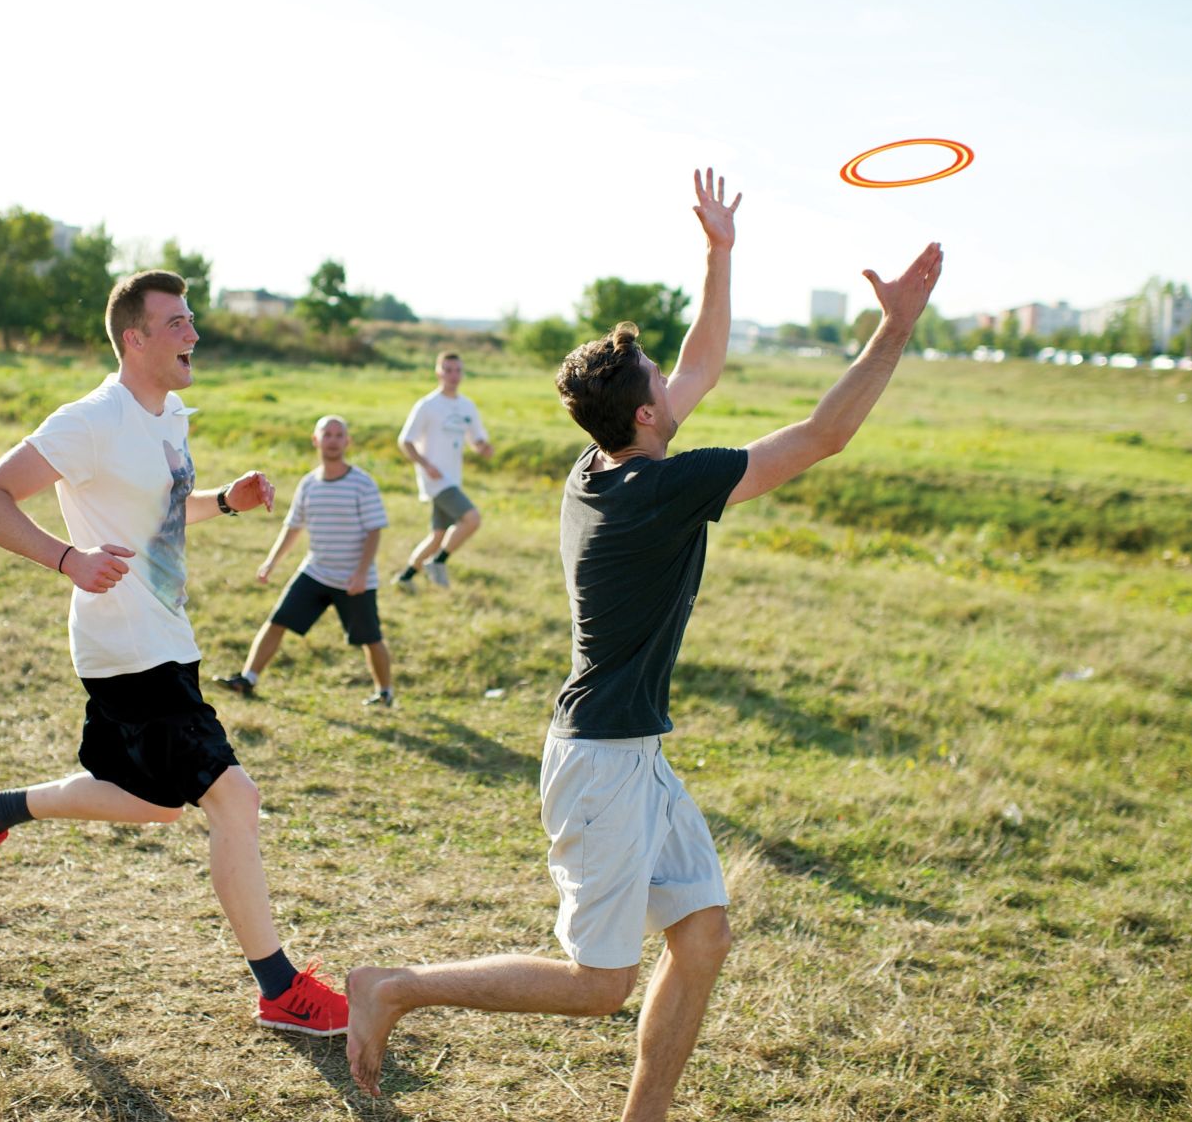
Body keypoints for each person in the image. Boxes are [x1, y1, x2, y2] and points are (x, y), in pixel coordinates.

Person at [346, 170, 944, 1119]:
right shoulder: (658, 492)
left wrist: (719, 253)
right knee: (597, 986)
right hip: (601, 762)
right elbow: (826, 434)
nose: (680, 385)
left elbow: (700, 366)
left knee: (701, 937)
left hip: (630, 752)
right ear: (645, 419)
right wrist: (898, 326)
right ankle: (393, 986)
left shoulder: (603, 465)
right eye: (663, 387)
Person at [0, 269, 351, 1037]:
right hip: (127, 646)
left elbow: (159, 513)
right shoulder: (91, 420)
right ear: (135, 339)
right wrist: (67, 558)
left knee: (156, 804)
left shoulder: (168, 417)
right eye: (176, 323)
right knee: (235, 798)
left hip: (164, 634)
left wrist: (223, 502)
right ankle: (280, 989)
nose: (193, 333)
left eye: (191, 319)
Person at [215, 414, 394, 707]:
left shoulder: (363, 483)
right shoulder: (308, 484)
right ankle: (247, 679)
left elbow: (375, 530)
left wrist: (361, 574)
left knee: (370, 637)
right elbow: (293, 527)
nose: (333, 440)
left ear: (347, 442)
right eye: (327, 434)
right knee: (277, 620)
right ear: (316, 440)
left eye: (339, 435)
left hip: (354, 579)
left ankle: (385, 692)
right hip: (315, 571)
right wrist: (271, 562)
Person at [393, 351, 492, 591]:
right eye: (447, 370)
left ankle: (404, 578)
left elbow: (476, 439)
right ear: (438, 372)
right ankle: (438, 562)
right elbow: (405, 441)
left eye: (457, 370)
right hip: (435, 480)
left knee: (438, 536)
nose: (453, 375)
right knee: (472, 519)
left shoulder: (467, 406)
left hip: (453, 479)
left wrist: (483, 447)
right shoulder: (427, 405)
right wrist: (426, 465)